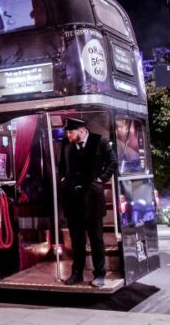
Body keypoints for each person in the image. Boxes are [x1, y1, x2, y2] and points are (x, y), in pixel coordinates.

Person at [57, 117, 117, 287]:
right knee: (76, 240)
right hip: (72, 198)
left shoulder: (100, 141)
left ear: (82, 131)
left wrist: (101, 178)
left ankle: (99, 274)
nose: (68, 135)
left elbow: (113, 162)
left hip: (92, 198)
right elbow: (62, 165)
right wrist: (63, 179)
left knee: (96, 239)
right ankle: (77, 273)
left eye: (71, 132)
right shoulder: (66, 144)